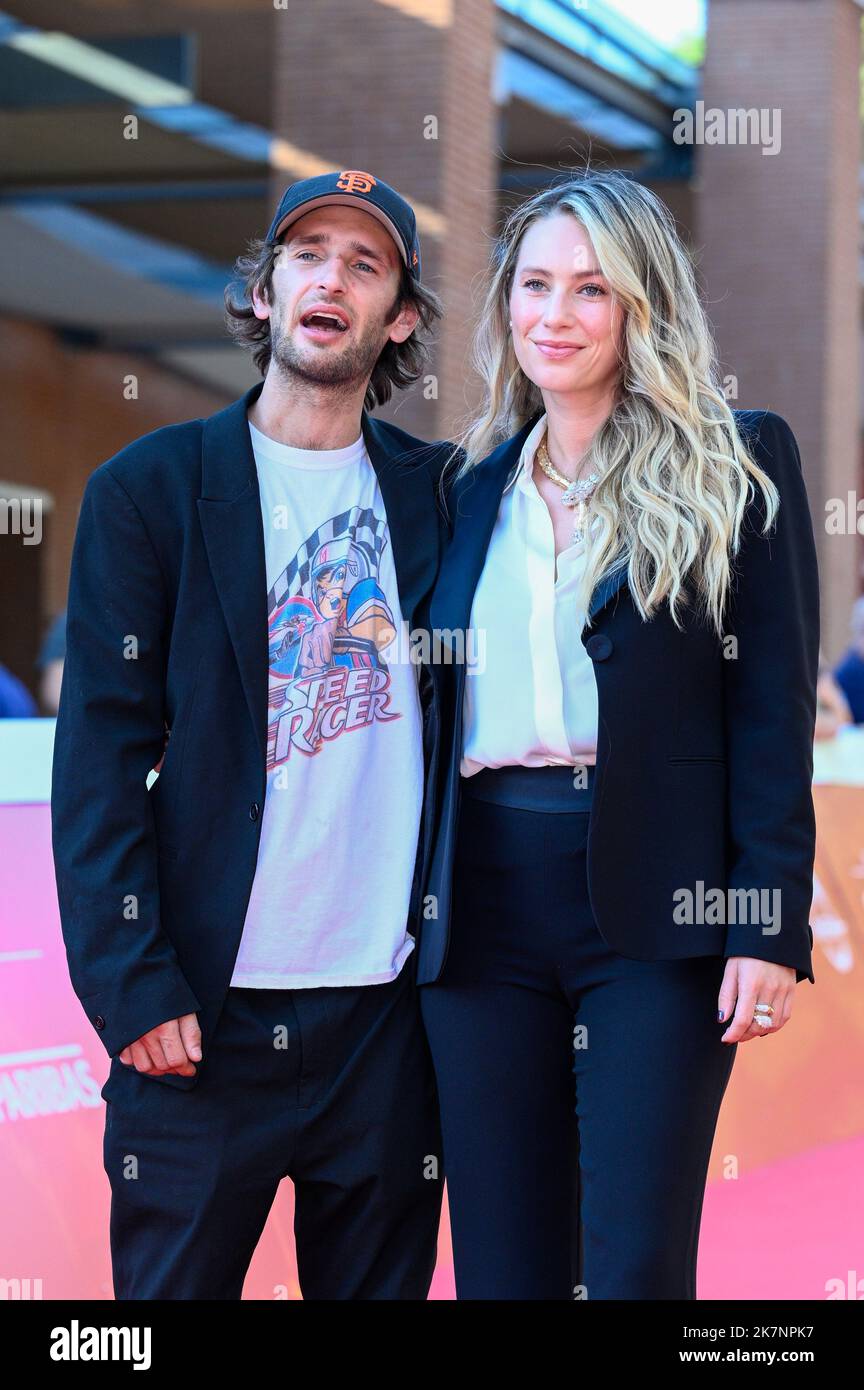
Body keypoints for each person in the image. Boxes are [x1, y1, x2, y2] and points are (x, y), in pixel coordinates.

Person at [416, 169, 819, 1300]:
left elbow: (770, 707)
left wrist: (766, 917)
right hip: (481, 908)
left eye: (591, 289)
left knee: (635, 1261)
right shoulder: (465, 489)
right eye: (534, 285)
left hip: (658, 907)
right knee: (504, 1267)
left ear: (644, 306)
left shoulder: (739, 463)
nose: (555, 314)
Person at [51, 171, 453, 1300]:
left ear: (400, 318)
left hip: (389, 1020)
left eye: (365, 264)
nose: (332, 276)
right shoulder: (152, 491)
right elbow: (99, 761)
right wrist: (133, 988)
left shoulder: (441, 498)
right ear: (267, 292)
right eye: (308, 254)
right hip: (200, 1020)